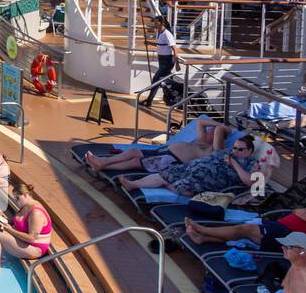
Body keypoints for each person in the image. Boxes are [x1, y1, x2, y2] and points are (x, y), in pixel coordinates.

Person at [121, 134, 259, 196]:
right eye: (234, 147)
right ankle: (133, 185)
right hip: (192, 166)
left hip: (207, 179)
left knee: (183, 187)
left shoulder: (252, 164)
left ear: (250, 151)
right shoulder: (229, 152)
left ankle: (170, 185)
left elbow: (249, 181)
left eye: (240, 149)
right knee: (163, 175)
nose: (235, 151)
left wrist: (234, 163)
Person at [84, 117, 231, 173]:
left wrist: (223, 128)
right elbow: (201, 122)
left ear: (218, 137)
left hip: (171, 161)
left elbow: (219, 130)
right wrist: (218, 124)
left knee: (136, 162)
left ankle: (103, 165)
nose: (209, 129)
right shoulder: (201, 141)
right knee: (134, 151)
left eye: (212, 130)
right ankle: (102, 162)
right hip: (164, 152)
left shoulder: (214, 150)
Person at [0, 182, 51, 271]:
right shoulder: (26, 206)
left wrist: (10, 230)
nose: (16, 201)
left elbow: (31, 238)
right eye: (15, 198)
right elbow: (16, 220)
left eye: (17, 198)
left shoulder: (36, 213)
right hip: (25, 242)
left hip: (35, 248)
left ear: (25, 195)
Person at [184, 206, 306, 253]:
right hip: (277, 227)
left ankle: (203, 230)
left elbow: (302, 213)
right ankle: (203, 238)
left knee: (245, 230)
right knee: (241, 235)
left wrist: (303, 214)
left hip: (289, 237)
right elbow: (296, 210)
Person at [141, 15, 177, 107]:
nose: (155, 24)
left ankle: (149, 101)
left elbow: (174, 49)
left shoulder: (167, 34)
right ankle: (171, 99)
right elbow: (159, 44)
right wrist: (149, 43)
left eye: (156, 22)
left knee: (155, 80)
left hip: (167, 61)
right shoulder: (159, 32)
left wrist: (177, 64)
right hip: (161, 60)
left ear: (162, 23)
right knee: (166, 82)